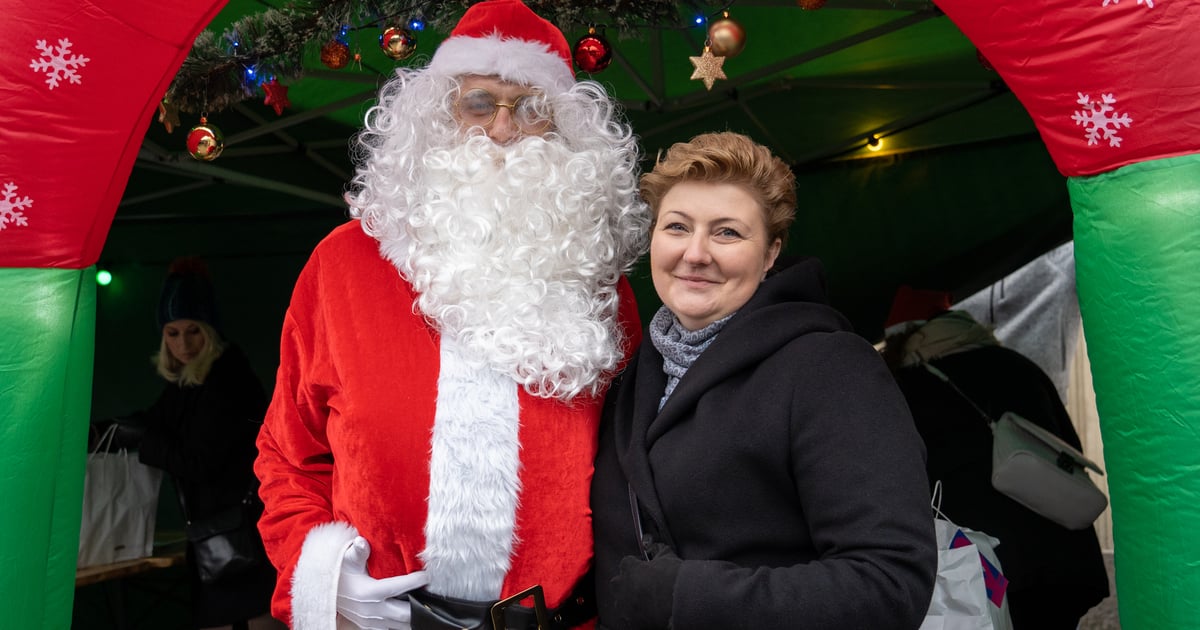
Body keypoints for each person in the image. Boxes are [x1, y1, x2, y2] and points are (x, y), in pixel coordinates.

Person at [252, 1, 650, 628]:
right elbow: (287, 453)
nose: (501, 130)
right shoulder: (344, 264)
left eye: (529, 107)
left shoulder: (600, 286)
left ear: (563, 129)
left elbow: (640, 471)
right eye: (479, 103)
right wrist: (321, 578)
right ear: (437, 115)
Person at [590, 132, 938, 629]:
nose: (695, 253)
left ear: (771, 253)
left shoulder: (830, 368)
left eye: (727, 233)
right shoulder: (629, 376)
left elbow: (890, 583)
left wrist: (689, 597)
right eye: (677, 227)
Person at [879, 295, 1110, 629]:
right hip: (1063, 561)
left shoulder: (910, 387)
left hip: (989, 572)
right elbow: (1066, 447)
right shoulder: (1018, 365)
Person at [100, 257, 279, 630]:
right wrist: (107, 432)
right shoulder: (188, 382)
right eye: (173, 333)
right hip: (219, 540)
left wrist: (142, 438)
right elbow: (157, 421)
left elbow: (199, 461)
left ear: (210, 330)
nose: (184, 343)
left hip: (244, 540)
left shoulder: (227, 378)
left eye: (193, 330)